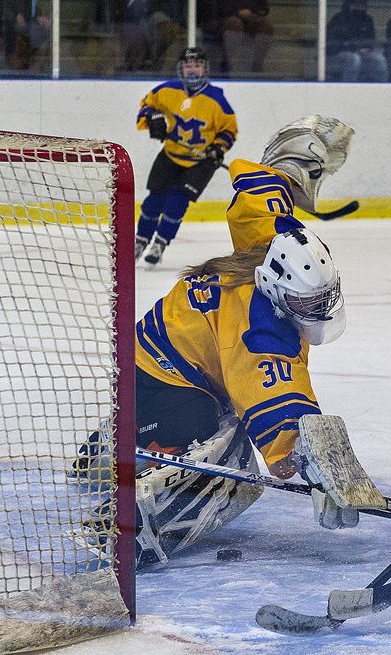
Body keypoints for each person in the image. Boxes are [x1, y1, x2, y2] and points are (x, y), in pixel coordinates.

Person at [76, 115, 357, 568]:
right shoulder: (261, 327)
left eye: (321, 299)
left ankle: (111, 444)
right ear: (277, 289)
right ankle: (122, 523)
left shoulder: (266, 252)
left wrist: (292, 168)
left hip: (150, 367)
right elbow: (274, 393)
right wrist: (306, 463)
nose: (315, 311)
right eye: (305, 303)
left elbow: (258, 207)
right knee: (233, 472)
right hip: (164, 385)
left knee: (224, 426)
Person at [134, 47, 237, 268]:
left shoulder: (217, 99)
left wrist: (217, 149)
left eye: (197, 65)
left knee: (175, 205)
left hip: (201, 163)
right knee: (153, 202)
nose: (192, 70)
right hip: (171, 155)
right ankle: (140, 241)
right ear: (181, 68)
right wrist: (153, 117)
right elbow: (146, 106)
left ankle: (160, 244)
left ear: (205, 69)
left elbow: (229, 131)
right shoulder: (166, 91)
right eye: (188, 65)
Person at [326, 0, 388, 82]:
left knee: (379, 60)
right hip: (337, 57)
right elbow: (332, 46)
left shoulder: (367, 20)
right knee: (354, 59)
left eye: (362, 3)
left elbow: (370, 41)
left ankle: (381, 91)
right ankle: (350, 91)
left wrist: (366, 48)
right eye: (356, 3)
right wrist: (352, 48)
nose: (359, 6)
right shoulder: (338, 20)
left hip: (362, 54)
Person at [220, 0, 272, 74]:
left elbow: (264, 8)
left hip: (250, 17)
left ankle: (257, 65)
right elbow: (218, 7)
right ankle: (227, 64)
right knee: (234, 23)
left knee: (266, 26)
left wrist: (255, 13)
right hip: (227, 17)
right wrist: (237, 13)